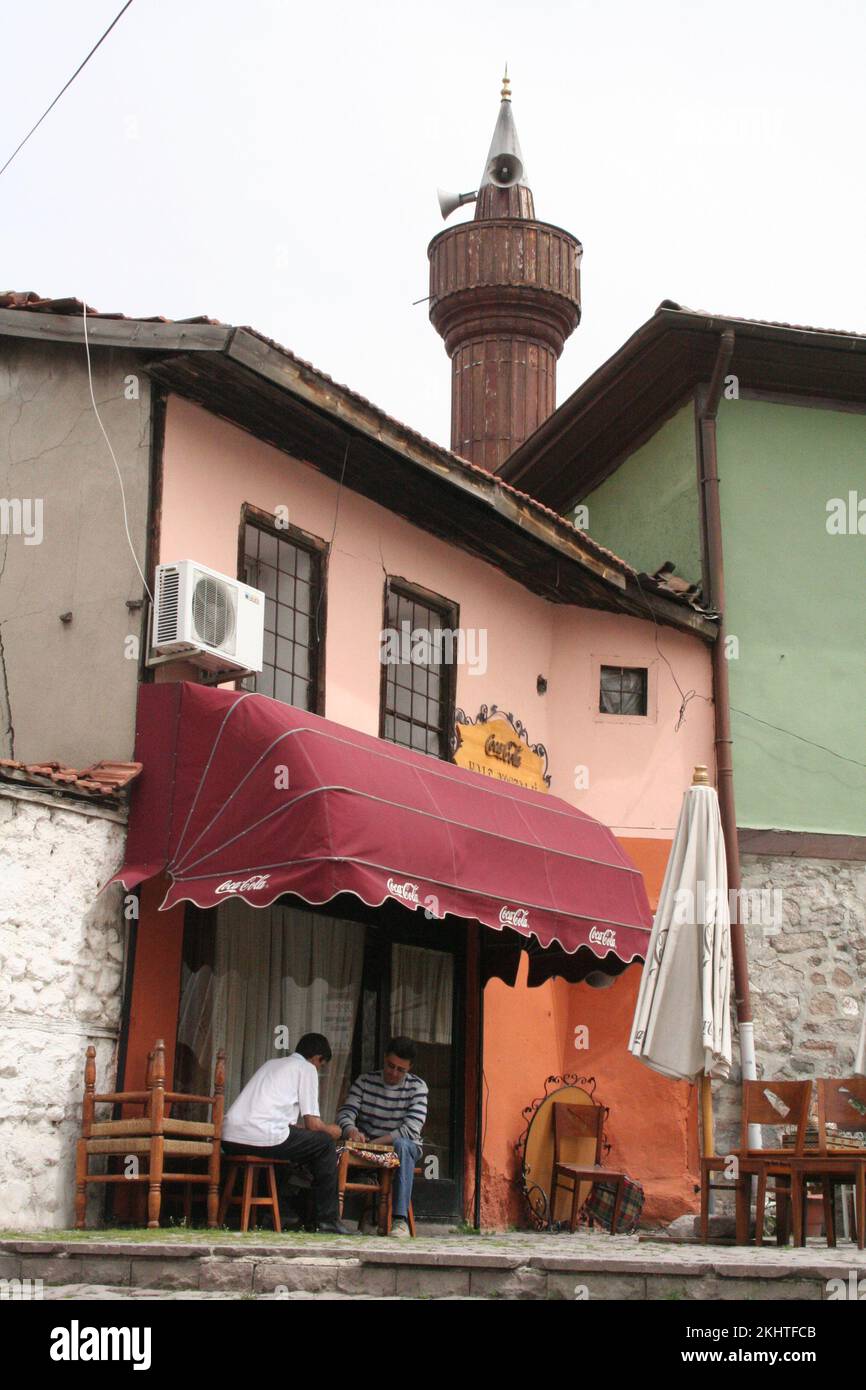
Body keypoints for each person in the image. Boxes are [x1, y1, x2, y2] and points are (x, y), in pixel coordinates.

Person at [221, 1032, 347, 1234]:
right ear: (317, 1059)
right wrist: (333, 1130)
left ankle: (274, 1214)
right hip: (263, 1136)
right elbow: (313, 1124)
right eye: (321, 1065)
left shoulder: (271, 1064)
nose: (319, 1069)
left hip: (229, 1137)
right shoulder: (306, 1068)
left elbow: (283, 1120)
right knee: (323, 1144)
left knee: (289, 1146)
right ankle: (327, 1220)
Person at [337, 1037, 428, 1237]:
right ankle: (327, 1217)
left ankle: (399, 1221)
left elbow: (411, 1129)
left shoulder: (418, 1087)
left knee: (403, 1145)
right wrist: (351, 1130)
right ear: (385, 1059)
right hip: (366, 1147)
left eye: (400, 1070)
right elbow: (346, 1113)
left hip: (399, 1147)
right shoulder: (365, 1081)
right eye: (390, 1066)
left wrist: (373, 1144)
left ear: (409, 1068)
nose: (394, 1073)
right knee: (332, 1148)